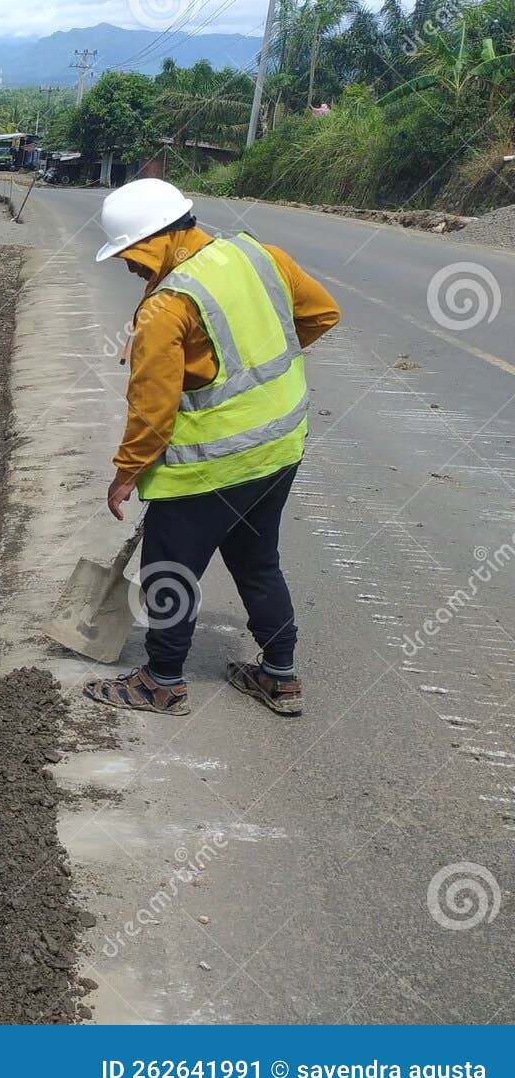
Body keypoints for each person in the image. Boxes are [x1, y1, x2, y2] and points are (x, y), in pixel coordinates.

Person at [82, 178, 340, 719]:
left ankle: (163, 681)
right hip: (277, 450)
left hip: (207, 468)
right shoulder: (260, 255)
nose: (129, 268)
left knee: (168, 568)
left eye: (130, 254)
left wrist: (126, 472)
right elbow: (320, 314)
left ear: (158, 238)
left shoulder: (167, 307)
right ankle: (280, 675)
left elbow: (152, 410)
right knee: (256, 558)